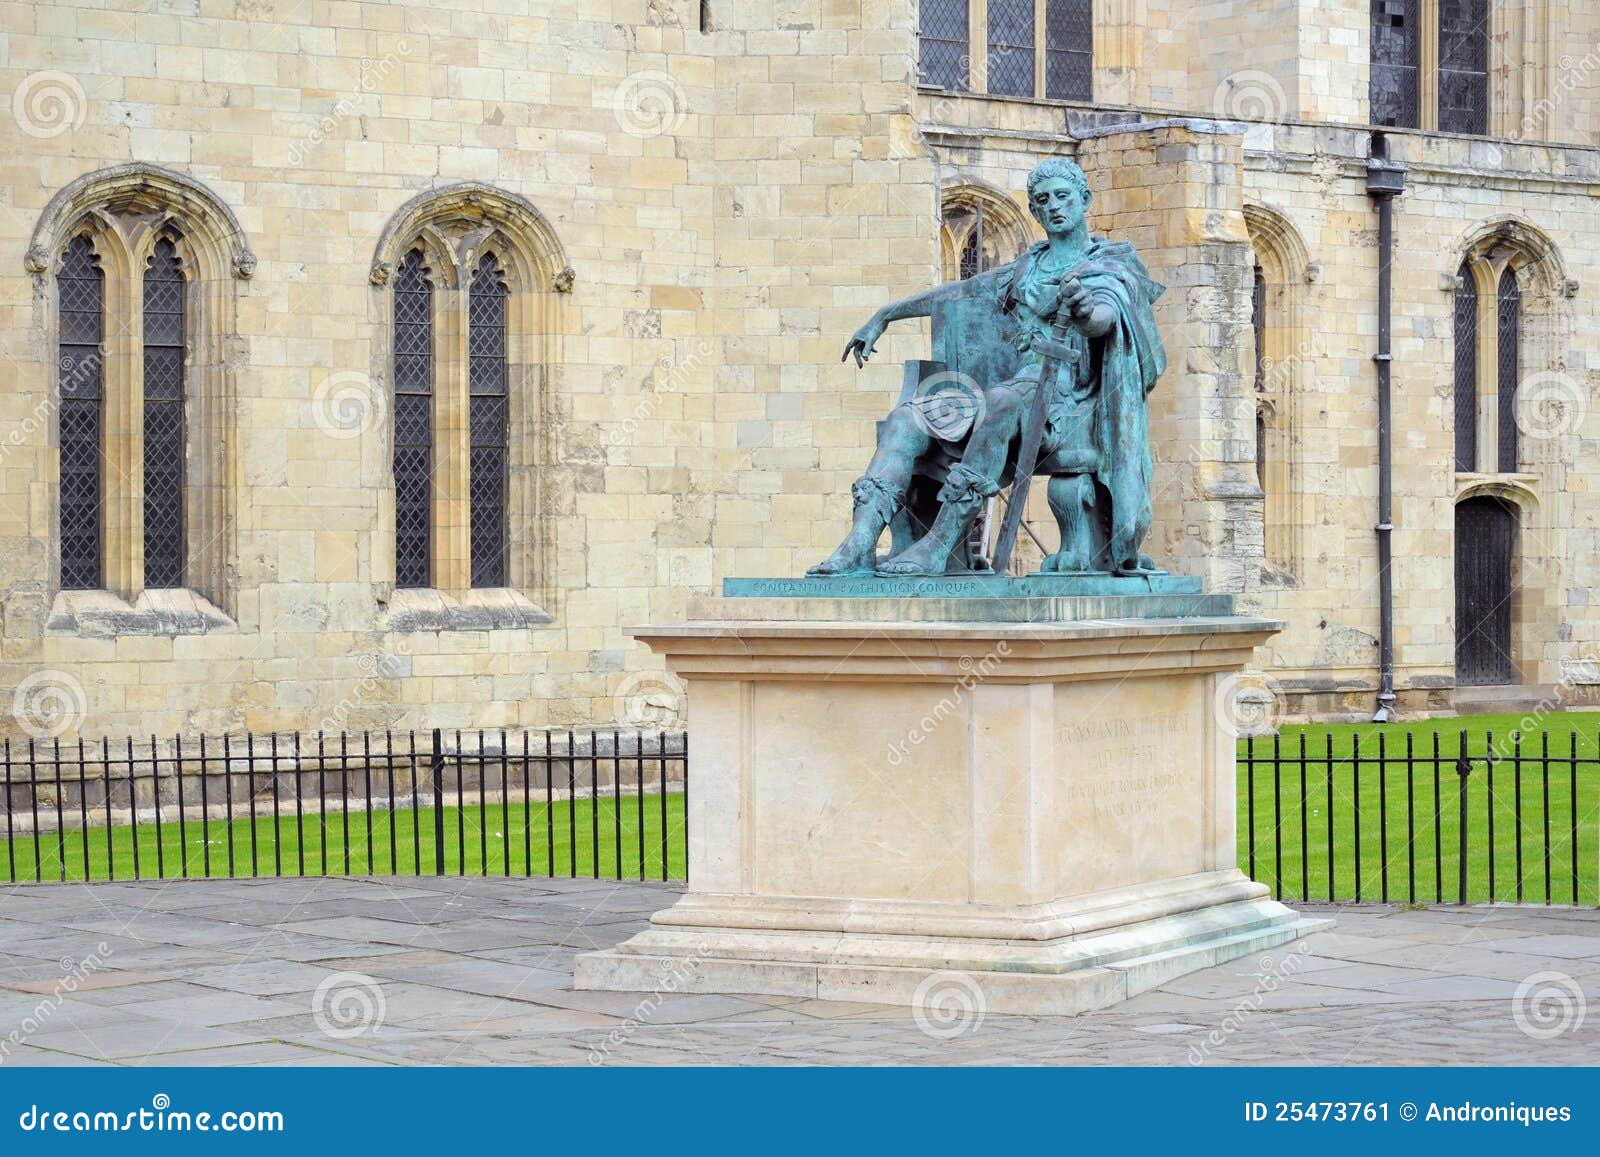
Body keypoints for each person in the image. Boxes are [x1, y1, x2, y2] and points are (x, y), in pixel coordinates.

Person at [808, 156, 1166, 577]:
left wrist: (1086, 311)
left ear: (1084, 199)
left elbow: (1106, 318)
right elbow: (959, 291)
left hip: (1070, 402)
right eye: (1042, 200)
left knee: (999, 401)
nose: (1053, 206)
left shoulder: (1109, 264)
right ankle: (859, 545)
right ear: (1033, 210)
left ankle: (938, 544)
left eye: (1062, 196)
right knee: (906, 420)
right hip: (1018, 389)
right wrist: (886, 314)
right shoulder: (1026, 267)